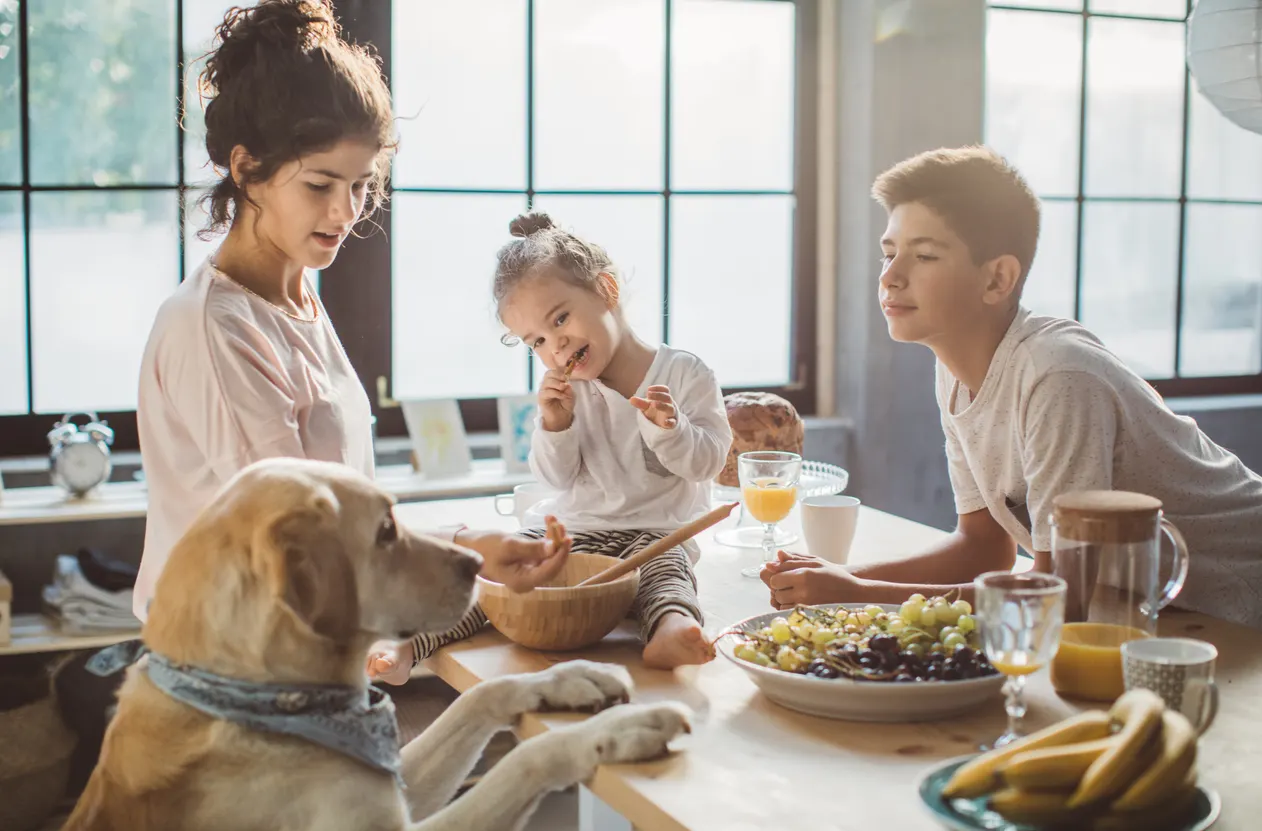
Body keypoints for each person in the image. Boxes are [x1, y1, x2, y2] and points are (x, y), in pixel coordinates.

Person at [135, 0, 571, 688]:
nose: (346, 212)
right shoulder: (215, 327)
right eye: (320, 185)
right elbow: (309, 530)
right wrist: (464, 552)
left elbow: (348, 501)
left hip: (293, 657)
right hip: (230, 679)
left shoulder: (298, 295)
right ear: (247, 169)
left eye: (363, 185)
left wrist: (470, 549)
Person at [762, 146, 1262, 628]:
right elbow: (981, 546)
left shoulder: (1058, 376)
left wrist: (860, 596)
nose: (891, 277)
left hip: (1240, 605)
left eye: (925, 256)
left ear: (998, 278)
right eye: (888, 253)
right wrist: (840, 580)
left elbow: (1057, 595)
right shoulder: (954, 368)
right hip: (1166, 613)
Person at [400, 211, 734, 670]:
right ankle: (413, 643)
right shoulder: (567, 392)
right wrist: (554, 425)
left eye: (560, 320)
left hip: (656, 536)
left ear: (606, 291)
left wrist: (669, 430)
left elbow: (707, 463)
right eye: (535, 341)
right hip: (574, 530)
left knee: (668, 577)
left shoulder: (684, 373)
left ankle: (673, 630)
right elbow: (554, 477)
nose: (554, 347)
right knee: (503, 574)